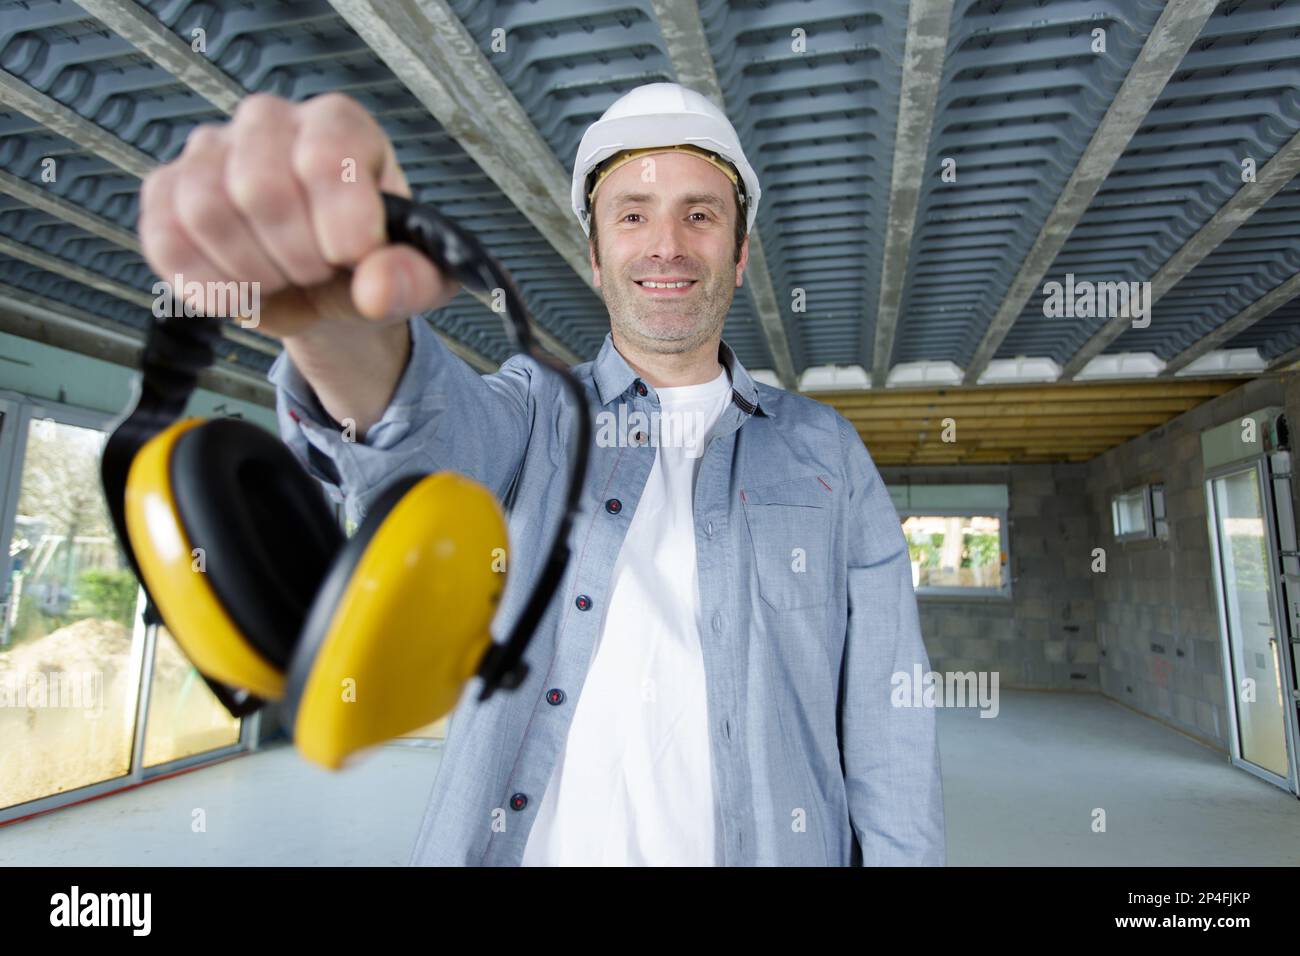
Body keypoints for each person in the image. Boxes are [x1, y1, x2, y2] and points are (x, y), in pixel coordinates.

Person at [138, 81, 946, 866]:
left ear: (739, 256)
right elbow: (425, 440)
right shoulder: (532, 414)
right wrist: (338, 324)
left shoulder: (827, 453)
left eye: (700, 215)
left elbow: (889, 720)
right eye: (634, 214)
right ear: (596, 256)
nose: (667, 244)